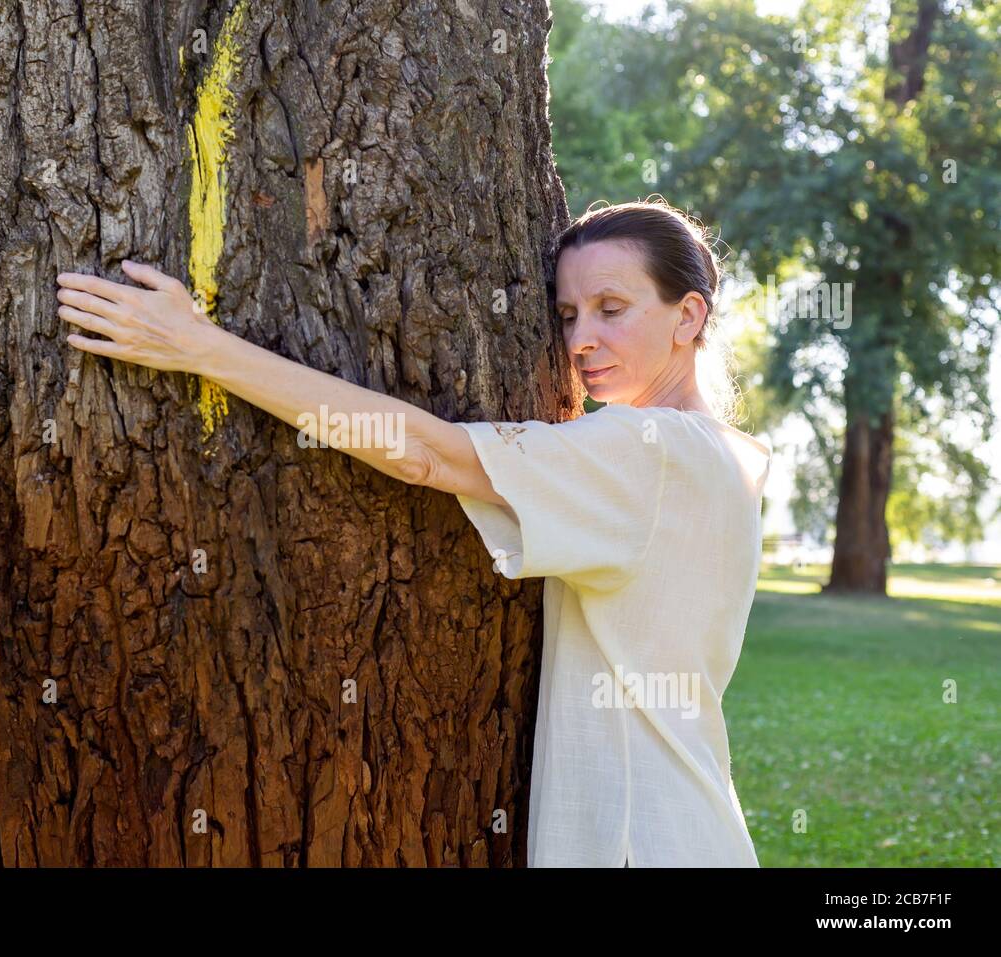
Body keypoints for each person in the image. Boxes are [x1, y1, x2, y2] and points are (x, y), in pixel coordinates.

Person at [56, 197, 772, 867]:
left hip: (634, 840)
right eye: (567, 314)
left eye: (612, 309)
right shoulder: (726, 458)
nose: (581, 340)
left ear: (688, 316)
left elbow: (423, 453)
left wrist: (200, 348)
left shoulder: (642, 447)